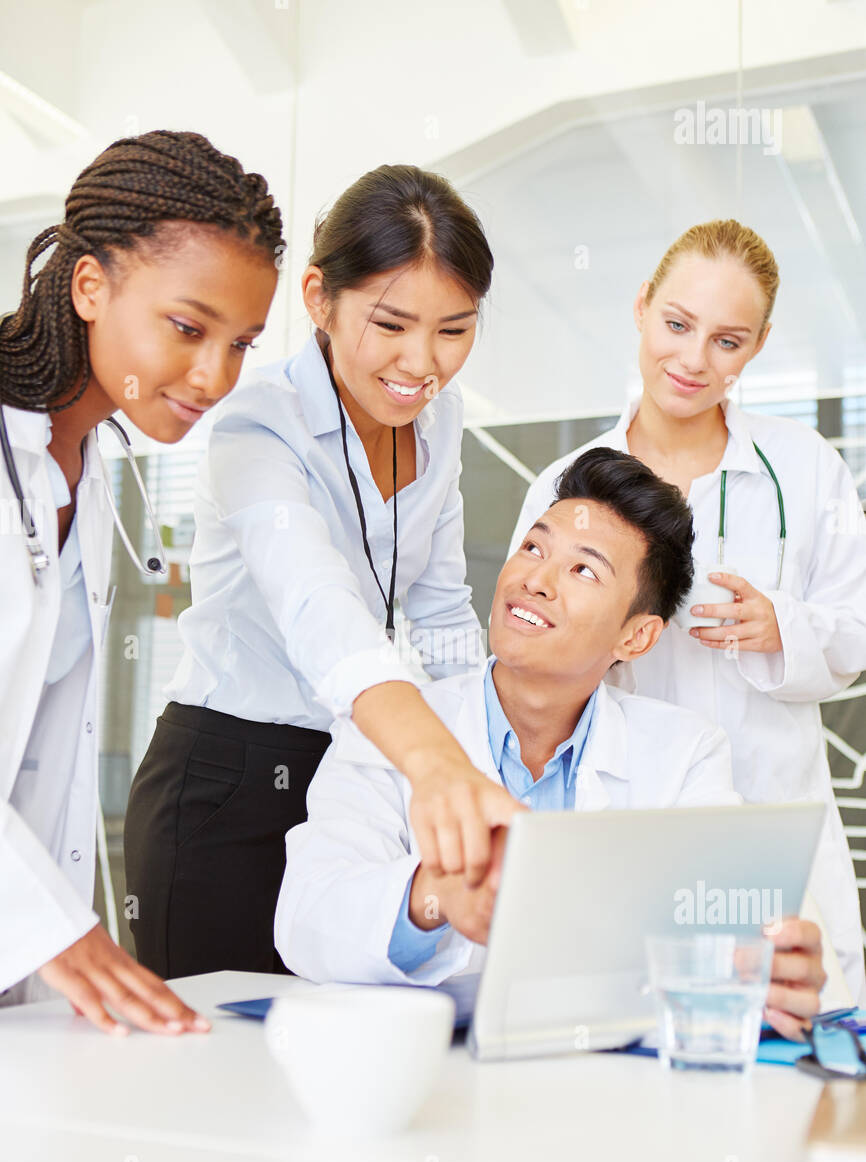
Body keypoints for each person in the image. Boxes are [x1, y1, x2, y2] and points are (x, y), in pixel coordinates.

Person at [276, 448, 829, 1041]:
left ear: (636, 636)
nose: (534, 581)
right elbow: (305, 920)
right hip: (421, 1080)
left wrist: (763, 964)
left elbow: (717, 927)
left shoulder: (685, 754)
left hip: (598, 1092)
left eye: (584, 570)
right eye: (534, 548)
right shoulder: (393, 724)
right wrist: (433, 899)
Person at [124, 164, 520, 980]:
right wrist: (434, 759)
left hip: (355, 778)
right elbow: (317, 603)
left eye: (454, 328)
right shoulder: (256, 421)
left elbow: (443, 611)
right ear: (318, 299)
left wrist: (489, 750)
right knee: (221, 1078)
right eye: (392, 324)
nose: (423, 362)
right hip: (223, 780)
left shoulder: (438, 427)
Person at [509, 220, 866, 1005]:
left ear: (761, 344)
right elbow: (526, 645)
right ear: (642, 308)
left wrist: (787, 628)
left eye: (728, 341)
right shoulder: (567, 483)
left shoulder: (806, 469)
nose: (694, 360)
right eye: (677, 324)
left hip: (775, 830)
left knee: (805, 1079)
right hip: (629, 831)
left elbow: (856, 631)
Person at [0, 129, 283, 1034]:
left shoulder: (89, 465)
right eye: (188, 328)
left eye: (240, 343)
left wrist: (59, 948)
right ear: (91, 285)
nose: (214, 377)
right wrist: (54, 930)